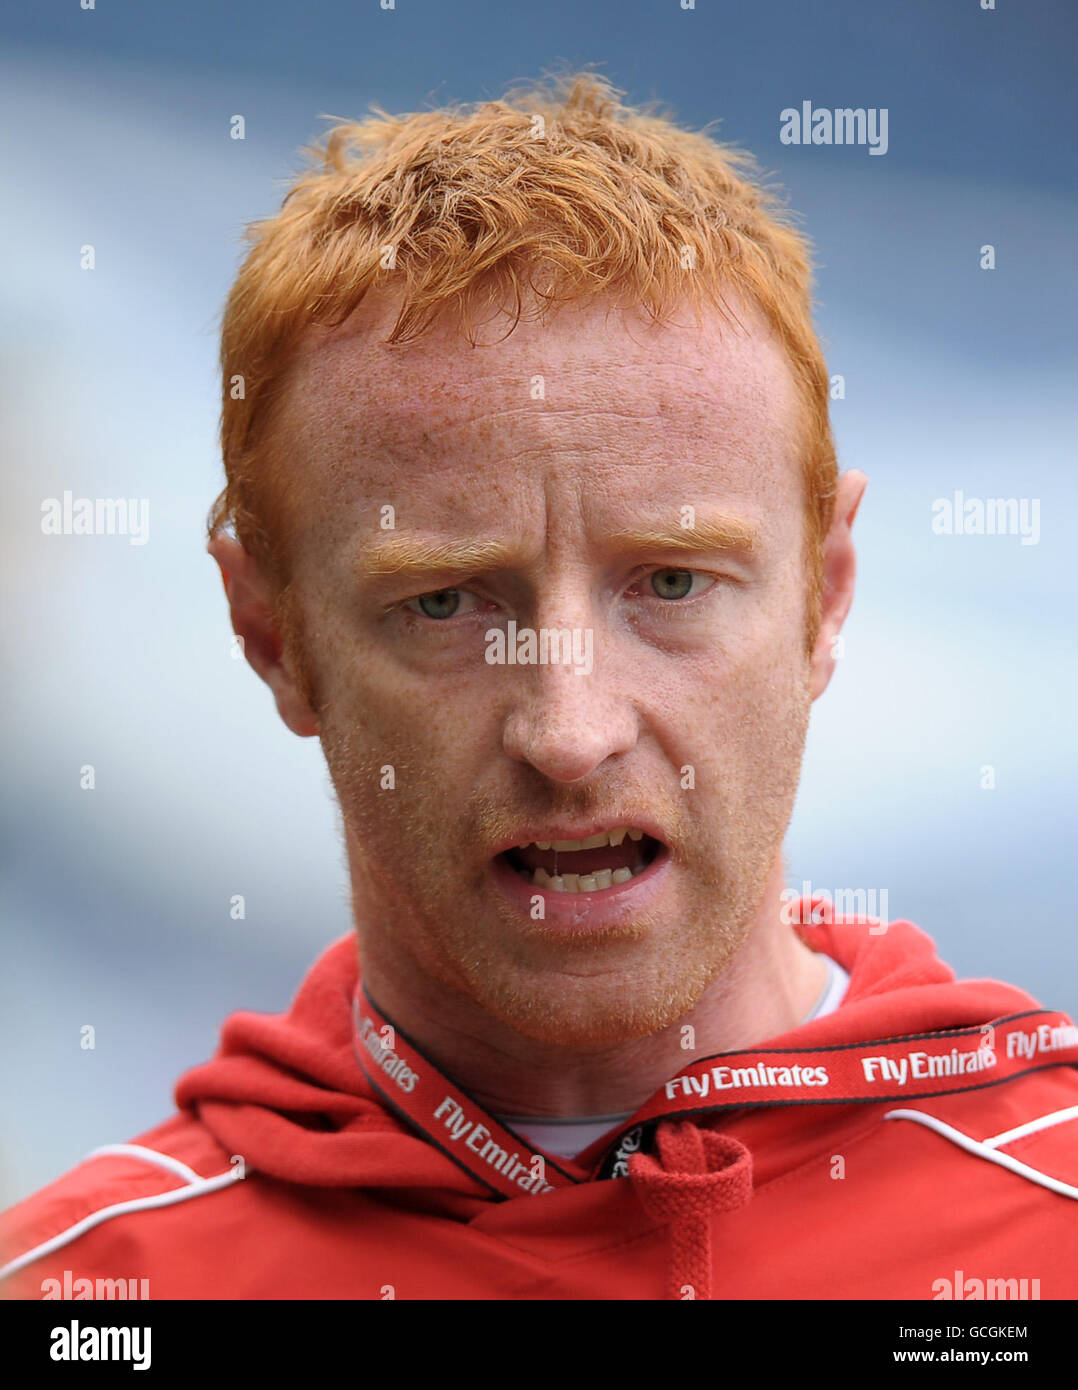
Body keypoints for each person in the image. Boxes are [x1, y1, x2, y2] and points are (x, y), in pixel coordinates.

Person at [3, 73, 1075, 1302]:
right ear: (271, 633)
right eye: (446, 604)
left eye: (671, 583)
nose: (569, 731)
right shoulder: (85, 1297)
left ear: (823, 597)